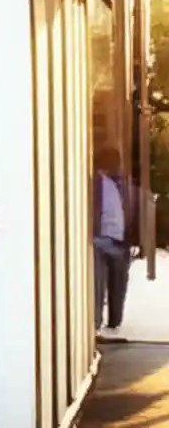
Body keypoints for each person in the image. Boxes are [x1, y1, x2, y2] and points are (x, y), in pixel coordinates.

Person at [93, 144, 141, 337]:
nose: (118, 165)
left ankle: (114, 323)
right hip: (99, 239)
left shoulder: (123, 185)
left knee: (117, 284)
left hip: (119, 241)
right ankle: (96, 323)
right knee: (98, 284)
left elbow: (132, 213)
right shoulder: (94, 181)